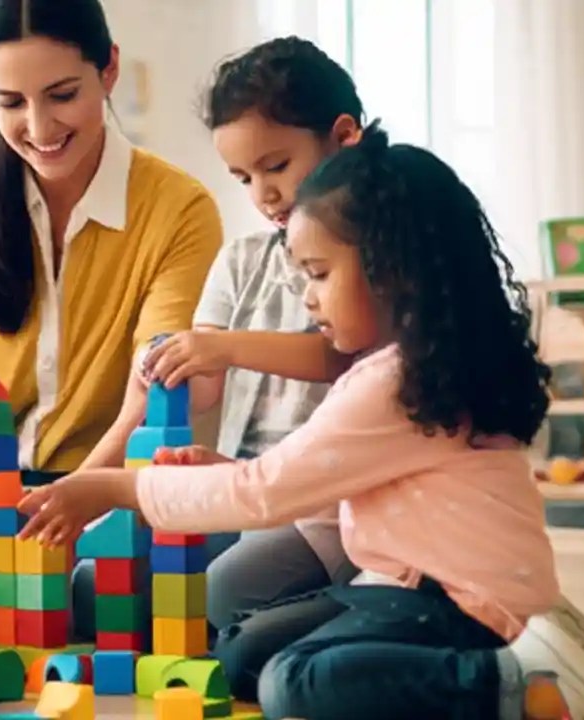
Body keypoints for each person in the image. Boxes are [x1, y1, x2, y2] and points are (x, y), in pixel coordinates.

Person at [17, 125, 584, 717]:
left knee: (292, 681)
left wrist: (119, 488)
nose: (308, 297)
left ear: (392, 272)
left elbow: (262, 495)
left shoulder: (395, 382)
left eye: (318, 274)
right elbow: (322, 484)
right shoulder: (411, 370)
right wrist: (225, 467)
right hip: (402, 588)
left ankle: (517, 685)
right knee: (240, 653)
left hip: (470, 610)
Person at [0, 0, 223, 621]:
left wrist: (78, 496)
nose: (39, 126)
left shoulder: (179, 209)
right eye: (10, 102)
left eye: (62, 95)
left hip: (108, 475)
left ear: (108, 70)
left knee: (106, 602)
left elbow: (158, 386)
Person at [125, 37, 367, 640]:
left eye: (276, 166)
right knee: (112, 578)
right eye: (243, 178)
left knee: (222, 590)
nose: (263, 194)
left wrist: (225, 346)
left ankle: (342, 611)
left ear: (343, 138)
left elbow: (343, 359)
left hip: (321, 504)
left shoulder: (371, 257)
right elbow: (205, 382)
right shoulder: (242, 260)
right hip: (239, 484)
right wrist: (168, 365)